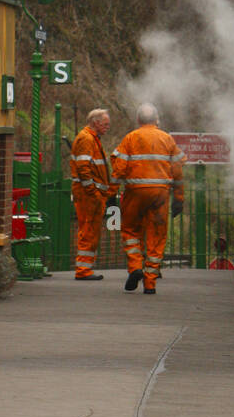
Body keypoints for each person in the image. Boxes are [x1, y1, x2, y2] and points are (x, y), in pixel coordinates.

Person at [112, 103, 185, 294]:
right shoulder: (167, 138)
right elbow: (177, 171)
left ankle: (135, 267)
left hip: (135, 192)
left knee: (130, 230)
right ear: (157, 120)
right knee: (157, 235)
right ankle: (150, 283)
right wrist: (179, 197)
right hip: (160, 193)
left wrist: (111, 192)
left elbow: (119, 168)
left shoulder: (130, 138)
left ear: (138, 120)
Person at [70, 108, 118, 281]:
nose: (107, 127)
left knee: (90, 230)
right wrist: (93, 192)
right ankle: (83, 269)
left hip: (91, 193)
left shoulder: (90, 138)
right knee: (88, 230)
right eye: (105, 124)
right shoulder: (86, 139)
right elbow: (83, 168)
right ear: (95, 123)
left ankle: (85, 268)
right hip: (88, 194)